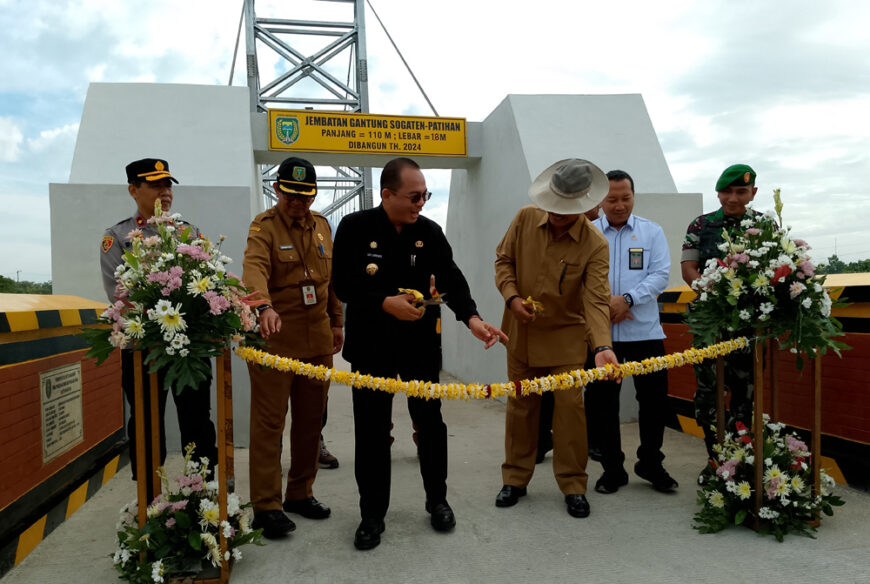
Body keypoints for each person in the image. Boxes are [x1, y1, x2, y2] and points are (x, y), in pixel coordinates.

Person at [332, 156, 507, 551]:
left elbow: (451, 278)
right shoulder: (356, 228)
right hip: (372, 347)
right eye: (414, 196)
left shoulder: (429, 232)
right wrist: (383, 302)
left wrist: (473, 318)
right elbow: (343, 283)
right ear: (387, 194)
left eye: (425, 195)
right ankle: (372, 515)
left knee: (430, 424)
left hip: (419, 347)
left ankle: (437, 500)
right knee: (373, 431)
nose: (420, 203)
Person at [494, 158, 619, 519]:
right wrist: (513, 298)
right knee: (521, 409)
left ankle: (573, 484)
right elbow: (503, 261)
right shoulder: (524, 219)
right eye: (552, 208)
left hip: (566, 338)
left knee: (570, 413)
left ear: (584, 207)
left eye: (565, 212)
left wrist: (603, 347)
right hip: (520, 332)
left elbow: (595, 300)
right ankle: (515, 479)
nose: (556, 216)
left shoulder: (595, 244)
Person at [99, 158, 217, 501]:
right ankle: (150, 499)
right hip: (144, 351)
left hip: (189, 348)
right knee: (147, 423)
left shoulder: (189, 233)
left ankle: (202, 492)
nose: (165, 192)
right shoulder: (117, 237)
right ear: (133, 190)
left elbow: (208, 283)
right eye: (155, 185)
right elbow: (120, 295)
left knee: (198, 421)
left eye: (168, 185)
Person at [242, 157, 344, 539]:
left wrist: (337, 322)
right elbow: (253, 268)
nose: (298, 203)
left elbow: (330, 281)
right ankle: (267, 505)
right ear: (277, 190)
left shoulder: (322, 227)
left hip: (317, 341)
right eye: (291, 195)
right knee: (270, 424)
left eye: (305, 196)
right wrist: (263, 306)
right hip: (275, 339)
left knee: (309, 422)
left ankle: (300, 493)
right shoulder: (263, 227)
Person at [586, 169, 678, 494]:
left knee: (653, 403)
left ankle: (650, 462)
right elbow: (580, 279)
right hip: (601, 337)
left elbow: (660, 274)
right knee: (602, 405)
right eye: (612, 199)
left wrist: (627, 300)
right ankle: (612, 469)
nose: (620, 205)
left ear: (633, 197)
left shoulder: (652, 233)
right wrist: (606, 306)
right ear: (601, 200)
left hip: (646, 334)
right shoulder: (588, 232)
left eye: (626, 198)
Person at [681, 163, 759, 460]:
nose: (733, 198)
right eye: (727, 191)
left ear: (753, 193)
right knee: (708, 395)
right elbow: (689, 269)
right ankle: (715, 460)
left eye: (741, 191)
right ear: (718, 193)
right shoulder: (700, 225)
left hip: (748, 327)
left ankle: (738, 461)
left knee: (745, 395)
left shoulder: (766, 227)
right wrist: (711, 289)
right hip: (709, 325)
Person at [536, 204, 601, 465]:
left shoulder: (595, 241)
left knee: (575, 400)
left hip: (590, 328)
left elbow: (596, 296)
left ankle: (583, 455)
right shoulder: (537, 228)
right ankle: (541, 441)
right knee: (543, 393)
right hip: (549, 327)